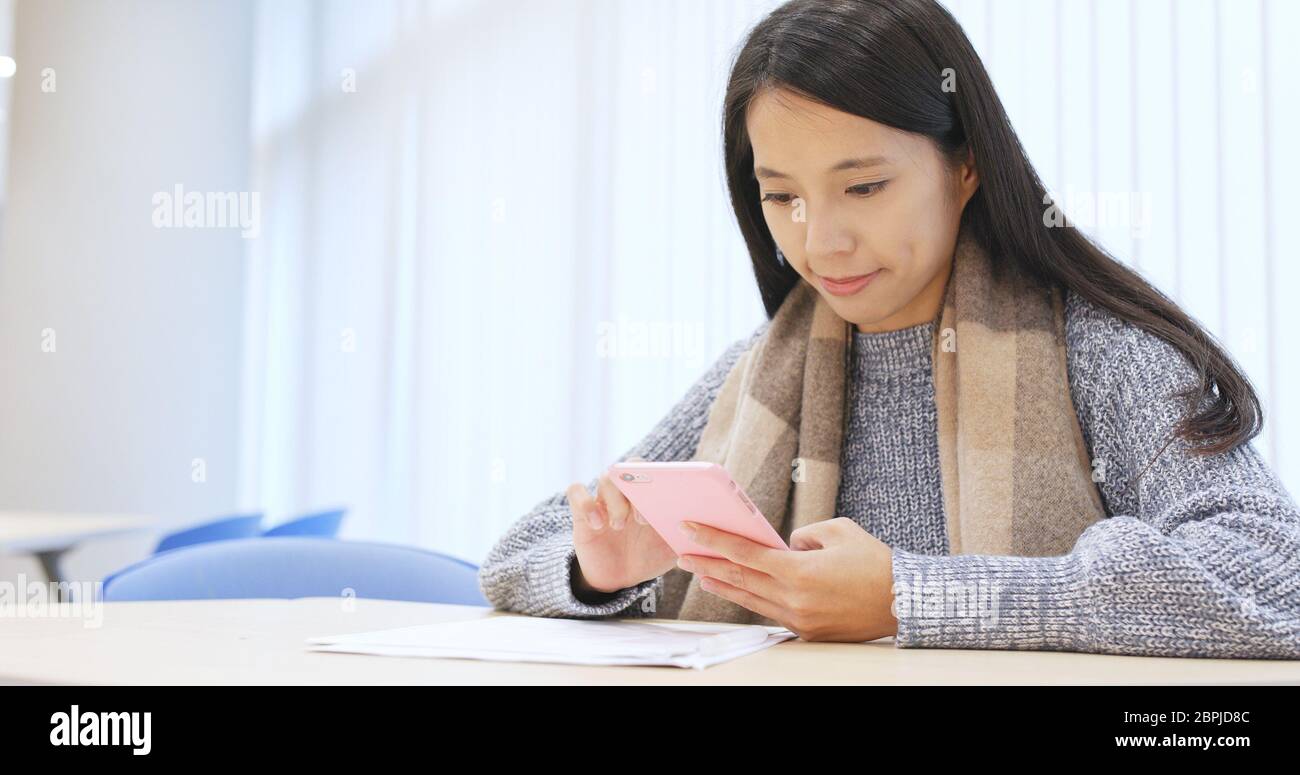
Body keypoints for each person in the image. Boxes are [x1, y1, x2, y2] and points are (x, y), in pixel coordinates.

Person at [478, 0, 1300, 658]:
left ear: (966, 162)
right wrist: (599, 572)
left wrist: (910, 595)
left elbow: (1275, 574)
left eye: (864, 187)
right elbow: (521, 551)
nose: (818, 239)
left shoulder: (1101, 352)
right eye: (781, 196)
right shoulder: (764, 371)